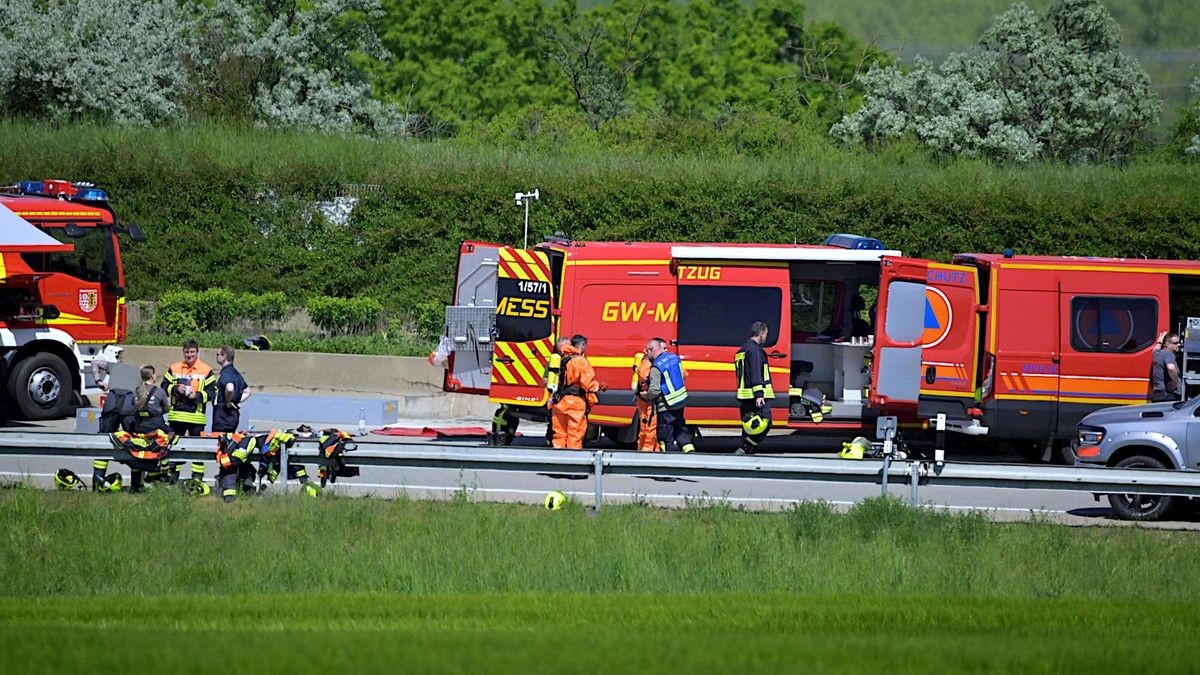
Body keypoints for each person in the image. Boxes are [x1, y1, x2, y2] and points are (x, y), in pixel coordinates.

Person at [551, 334, 606, 449]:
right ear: (582, 346)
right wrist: (599, 386)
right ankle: (573, 461)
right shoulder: (581, 361)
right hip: (575, 403)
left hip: (559, 402)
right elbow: (587, 384)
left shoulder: (561, 359)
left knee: (559, 434)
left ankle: (557, 458)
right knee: (575, 435)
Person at [641, 337, 695, 453]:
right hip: (680, 402)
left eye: (647, 352)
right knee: (680, 430)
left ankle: (669, 460)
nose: (646, 355)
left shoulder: (656, 367)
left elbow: (654, 391)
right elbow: (681, 375)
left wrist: (645, 396)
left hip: (666, 406)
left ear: (651, 350)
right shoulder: (674, 358)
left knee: (665, 436)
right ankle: (690, 451)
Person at [734, 321, 775, 455]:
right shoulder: (755, 350)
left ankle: (745, 451)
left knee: (749, 425)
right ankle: (745, 449)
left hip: (744, 394)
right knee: (765, 423)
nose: (766, 337)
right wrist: (759, 394)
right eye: (766, 334)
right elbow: (756, 373)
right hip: (754, 395)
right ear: (761, 333)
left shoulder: (743, 349)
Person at [162, 340, 217, 436]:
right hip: (176, 417)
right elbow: (164, 387)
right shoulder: (174, 368)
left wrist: (197, 395)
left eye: (192, 352)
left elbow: (212, 392)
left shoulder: (206, 370)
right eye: (186, 352)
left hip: (196, 419)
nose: (189, 355)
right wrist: (176, 389)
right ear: (183, 352)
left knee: (196, 448)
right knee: (173, 447)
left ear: (197, 352)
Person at [213, 345, 251, 433]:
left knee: (219, 442)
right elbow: (248, 391)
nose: (217, 356)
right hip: (233, 417)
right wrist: (236, 401)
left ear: (224, 356)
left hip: (223, 416)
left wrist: (228, 402)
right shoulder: (236, 374)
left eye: (218, 354)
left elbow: (230, 388)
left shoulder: (226, 373)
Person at [131, 365, 170, 434]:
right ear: (152, 376)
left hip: (139, 427)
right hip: (156, 427)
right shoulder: (159, 391)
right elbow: (166, 408)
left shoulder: (136, 391)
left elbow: (133, 406)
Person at [632, 351, 658, 452]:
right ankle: (647, 454)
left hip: (645, 400)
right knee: (649, 429)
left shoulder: (646, 362)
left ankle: (646, 451)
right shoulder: (647, 364)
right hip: (648, 401)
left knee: (646, 429)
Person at [1150, 332, 1182, 402]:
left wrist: (1160, 341)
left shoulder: (1157, 354)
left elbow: (1156, 348)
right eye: (1175, 343)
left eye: (1179, 342)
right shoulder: (1169, 353)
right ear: (1167, 345)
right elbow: (1171, 368)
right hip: (1168, 395)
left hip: (1158, 394)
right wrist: (1174, 383)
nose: (1179, 344)